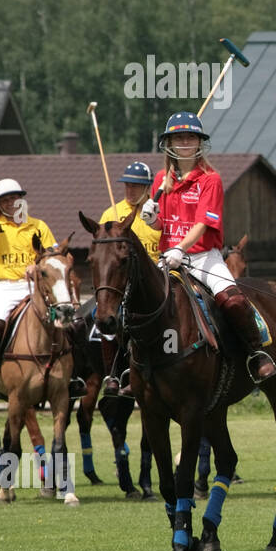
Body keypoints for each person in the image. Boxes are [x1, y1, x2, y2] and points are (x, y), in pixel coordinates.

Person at [139, 111, 276, 382]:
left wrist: (181, 248)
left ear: (200, 143)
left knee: (233, 300)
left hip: (203, 257)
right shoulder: (161, 180)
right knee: (137, 301)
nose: (185, 142)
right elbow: (162, 225)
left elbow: (203, 224)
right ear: (169, 143)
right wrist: (152, 219)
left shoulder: (210, 179)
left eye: (191, 137)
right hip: (168, 257)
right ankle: (127, 366)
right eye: (179, 137)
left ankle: (256, 353)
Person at [0, 179, 59, 403]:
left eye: (14, 198)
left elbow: (54, 257)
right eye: (5, 200)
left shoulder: (38, 226)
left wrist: (37, 266)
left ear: (22, 200)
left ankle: (72, 376)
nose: (11, 203)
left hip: (37, 287)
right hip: (6, 287)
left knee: (68, 322)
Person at [96, 162, 161, 395]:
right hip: (123, 282)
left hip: (157, 278)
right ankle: (113, 373)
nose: (130, 190)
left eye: (136, 186)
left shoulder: (158, 211)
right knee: (100, 316)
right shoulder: (111, 214)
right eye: (127, 185)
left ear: (148, 187)